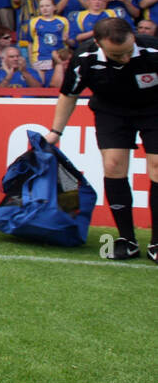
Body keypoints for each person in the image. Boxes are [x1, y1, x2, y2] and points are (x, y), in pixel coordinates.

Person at [45, 18, 158, 261]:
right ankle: (126, 239)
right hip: (111, 112)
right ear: (98, 44)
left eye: (128, 51)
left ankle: (156, 242)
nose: (125, 59)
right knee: (113, 165)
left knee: (157, 166)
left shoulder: (153, 50)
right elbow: (69, 95)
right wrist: (56, 131)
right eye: (117, 55)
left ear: (133, 37)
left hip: (154, 110)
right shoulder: (85, 58)